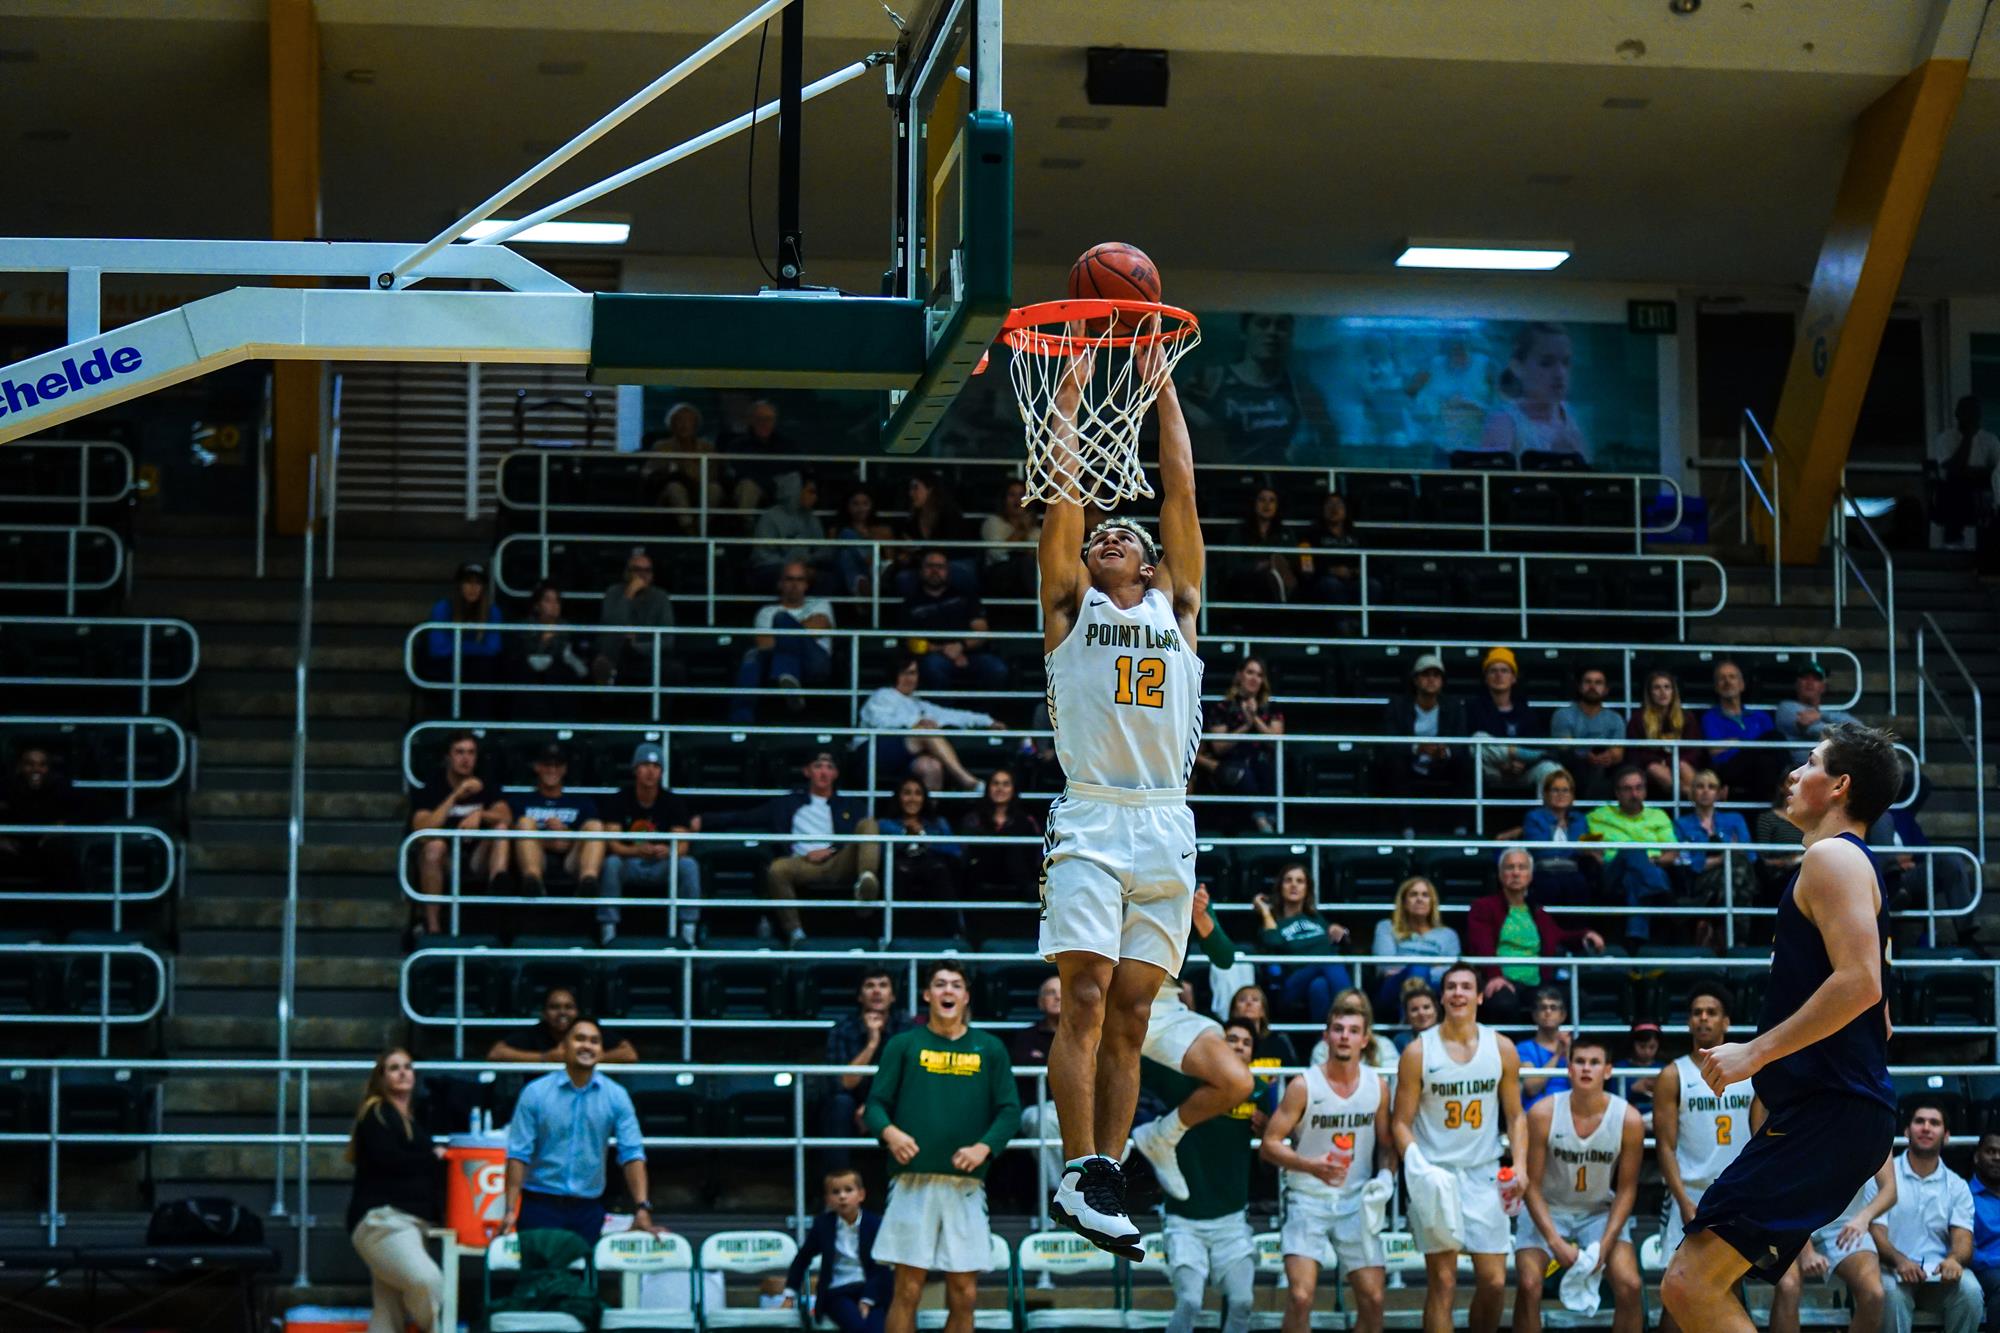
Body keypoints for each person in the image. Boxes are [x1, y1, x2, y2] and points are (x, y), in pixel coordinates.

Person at [1035, 357, 1204, 1259]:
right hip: (1093, 816)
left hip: (1167, 820)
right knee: (1088, 993)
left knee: (1134, 1015)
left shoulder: (1178, 602)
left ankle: (1104, 1177)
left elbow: (1178, 484)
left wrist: (1159, 380)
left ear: (1150, 560)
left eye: (1124, 534)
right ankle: (1077, 1166)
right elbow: (1065, 494)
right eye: (1100, 532)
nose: (1107, 534)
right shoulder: (1069, 605)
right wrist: (1067, 392)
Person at [1659, 724, 1903, 1333]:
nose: (1794, 774)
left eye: (1812, 763)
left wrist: (1755, 1053)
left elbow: (1862, 986)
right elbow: (1885, 1020)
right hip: (1831, 1111)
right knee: (1697, 1282)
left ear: (1840, 785)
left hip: (1832, 1111)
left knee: (1690, 1282)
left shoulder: (1833, 856)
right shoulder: (1852, 867)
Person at [867, 963, 1019, 1333]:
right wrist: (892, 1134)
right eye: (939, 984)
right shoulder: (903, 1044)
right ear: (926, 995)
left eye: (955, 985)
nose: (947, 991)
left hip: (965, 1186)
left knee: (965, 1293)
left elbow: (1010, 1111)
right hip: (912, 1183)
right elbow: (874, 1105)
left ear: (965, 996)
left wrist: (985, 1147)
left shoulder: (990, 1047)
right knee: (907, 1290)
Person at [1390, 961, 1529, 1333]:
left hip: (1484, 1174)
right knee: (1444, 1282)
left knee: (1495, 1282)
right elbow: (1400, 1123)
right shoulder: (1419, 1052)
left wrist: (1521, 1165)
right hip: (1436, 1174)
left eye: (1466, 987)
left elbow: (1516, 1116)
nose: (1458, 993)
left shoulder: (1502, 1048)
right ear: (1441, 996)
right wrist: (1419, 1167)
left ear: (1480, 996)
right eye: (1451, 987)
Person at [1262, 1005, 1394, 1333]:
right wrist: (1310, 1165)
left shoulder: (1377, 1085)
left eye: (1352, 1030)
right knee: (1300, 1296)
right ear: (1326, 1036)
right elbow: (1270, 1144)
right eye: (1338, 1029)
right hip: (1307, 1198)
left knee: (1374, 1298)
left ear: (1365, 1040)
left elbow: (1387, 1144)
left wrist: (1387, 1177)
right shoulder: (1304, 1085)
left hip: (1356, 1201)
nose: (1344, 1036)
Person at [1126, 885, 1256, 1203]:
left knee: (1238, 1081)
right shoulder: (1115, 873)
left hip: (1166, 1005)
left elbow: (1224, 958)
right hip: (1117, 1001)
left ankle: (1163, 1135)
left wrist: (1200, 917)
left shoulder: (1186, 883)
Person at [1513, 1039, 1645, 1333]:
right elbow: (1531, 1187)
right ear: (1568, 1069)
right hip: (1547, 1209)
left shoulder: (1629, 1119)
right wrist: (1555, 1243)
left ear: (1608, 1070)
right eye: (1580, 1061)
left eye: (1595, 1062)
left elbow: (1626, 1190)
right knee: (1528, 1284)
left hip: (1598, 1212)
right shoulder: (1543, 1113)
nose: (1587, 1068)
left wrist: (1605, 1244)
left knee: (1630, 1285)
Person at [1138, 1010, 1257, 1333]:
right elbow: (1142, 1063)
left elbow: (1282, 1136)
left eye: (1247, 1043)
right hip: (1184, 1219)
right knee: (1190, 1302)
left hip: (1232, 1220)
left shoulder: (1255, 1091)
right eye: (1231, 1039)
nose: (1239, 1047)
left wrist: (1267, 1121)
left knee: (1243, 1302)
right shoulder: (1185, 1081)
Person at [692, 751, 880, 945]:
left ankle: (866, 885)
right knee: (777, 869)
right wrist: (704, 820)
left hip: (839, 860)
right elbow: (744, 816)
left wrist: (832, 850)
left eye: (829, 767)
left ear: (836, 774)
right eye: (818, 766)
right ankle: (796, 935)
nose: (824, 772)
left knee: (869, 825)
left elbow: (860, 838)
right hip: (802, 863)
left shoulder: (852, 805)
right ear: (807, 771)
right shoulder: (786, 804)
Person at [502, 1018, 655, 1244]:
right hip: (539, 1205)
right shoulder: (535, 1093)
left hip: (588, 1209)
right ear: (564, 1046)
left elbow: (632, 1153)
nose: (587, 1046)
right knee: (538, 1279)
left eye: (594, 1041)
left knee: (583, 1279)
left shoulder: (616, 1096)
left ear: (601, 1051)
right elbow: (518, 1155)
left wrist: (642, 1206)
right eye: (579, 1039)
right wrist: (509, 1209)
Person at [1652, 982, 1755, 1296]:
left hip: (1736, 1195)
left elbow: (1760, 1138)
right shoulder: (1673, 1075)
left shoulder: (1750, 1072)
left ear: (1726, 1022)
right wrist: (1683, 1201)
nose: (1703, 1019)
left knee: (1728, 1291)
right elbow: (1665, 1148)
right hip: (1691, 1194)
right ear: (1688, 1021)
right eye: (1697, 1013)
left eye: (1712, 1013)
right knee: (1677, 1292)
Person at [348, 1048, 445, 1333]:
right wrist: (433, 1156)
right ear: (381, 1077)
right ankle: (440, 1328)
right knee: (428, 1280)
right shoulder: (376, 1113)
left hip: (406, 1223)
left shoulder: (412, 1118)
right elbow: (388, 1159)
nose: (403, 1072)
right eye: (394, 1068)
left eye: (408, 1066)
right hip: (383, 1221)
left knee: (387, 1313)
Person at [1869, 1102, 1981, 1333]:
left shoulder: (1957, 1186)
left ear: (1946, 1136)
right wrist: (1900, 1261)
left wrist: (1954, 1260)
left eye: (1935, 1123)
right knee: (1889, 1292)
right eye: (1919, 1121)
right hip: (1892, 1271)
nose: (1926, 1128)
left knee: (1970, 1289)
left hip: (1940, 1277)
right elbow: (1876, 1232)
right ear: (1907, 1131)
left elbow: (1963, 1240)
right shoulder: (1884, 1178)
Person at [1464, 847, 1604, 1024]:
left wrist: (1585, 935)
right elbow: (1480, 945)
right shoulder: (1484, 906)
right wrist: (1494, 976)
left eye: (1522, 868)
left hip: (1537, 985)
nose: (1516, 873)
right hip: (1502, 981)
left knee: (1579, 999)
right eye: (1510, 867)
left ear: (1530, 876)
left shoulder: (1537, 911)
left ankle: (1557, 1047)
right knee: (1503, 1004)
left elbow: (1559, 937)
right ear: (1500, 875)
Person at [1181, 311, 1327, 465]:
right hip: (1222, 480)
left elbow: (1324, 436)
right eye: (1263, 324)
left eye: (1281, 326)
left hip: (1280, 480)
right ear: (1245, 332)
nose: (1272, 332)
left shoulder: (1301, 388)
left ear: (1290, 335)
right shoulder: (1209, 380)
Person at [1770, 1156, 1895, 1333]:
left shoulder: (1877, 1127)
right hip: (1791, 1219)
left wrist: (1863, 1218)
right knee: (1788, 1286)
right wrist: (1806, 1250)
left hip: (1843, 1223)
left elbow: (1890, 1190)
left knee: (1874, 1294)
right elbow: (1785, 1183)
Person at [408, 733, 512, 940]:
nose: (466, 759)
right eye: (460, 752)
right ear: (448, 757)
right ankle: (433, 928)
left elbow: (507, 816)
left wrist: (481, 814)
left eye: (471, 753)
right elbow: (421, 828)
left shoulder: (485, 783)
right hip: (445, 859)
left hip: (477, 858)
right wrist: (456, 795)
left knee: (501, 828)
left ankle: (498, 906)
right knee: (434, 846)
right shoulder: (434, 785)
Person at [598, 742, 699, 947]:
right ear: (635, 769)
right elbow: (613, 845)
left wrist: (668, 850)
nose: (650, 772)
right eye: (644, 765)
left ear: (661, 771)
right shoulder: (620, 799)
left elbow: (683, 846)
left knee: (688, 865)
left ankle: (689, 932)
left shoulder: (673, 801)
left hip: (662, 865)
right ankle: (608, 930)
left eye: (656, 767)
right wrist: (636, 850)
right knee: (611, 863)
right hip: (630, 862)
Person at [859, 657, 998, 794]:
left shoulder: (917, 704)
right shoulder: (882, 695)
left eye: (913, 673)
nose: (909, 678)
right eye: (904, 673)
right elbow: (879, 722)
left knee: (932, 766)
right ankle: (967, 781)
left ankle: (929, 815)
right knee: (924, 731)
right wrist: (915, 722)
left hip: (902, 756)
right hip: (871, 751)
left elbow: (951, 715)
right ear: (894, 674)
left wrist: (988, 721)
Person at [823, 970, 913, 1172]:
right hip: (853, 1103)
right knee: (839, 1103)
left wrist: (874, 1109)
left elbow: (910, 1078)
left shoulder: (907, 1028)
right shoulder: (843, 1028)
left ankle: (908, 1183)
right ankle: (839, 1185)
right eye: (870, 986)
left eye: (883, 985)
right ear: (860, 996)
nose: (876, 991)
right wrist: (872, 1043)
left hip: (891, 1102)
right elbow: (845, 1083)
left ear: (893, 996)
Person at [782, 1169, 892, 1333]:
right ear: (827, 1200)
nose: (842, 1196)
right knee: (858, 1328)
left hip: (870, 1290)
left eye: (848, 1190)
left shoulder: (874, 1224)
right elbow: (803, 1258)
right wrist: (790, 1294)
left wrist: (868, 1299)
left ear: (861, 1195)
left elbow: (882, 1267)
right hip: (837, 1291)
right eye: (835, 1192)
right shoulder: (823, 1225)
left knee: (877, 1328)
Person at [730, 559, 836, 722]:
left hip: (814, 662)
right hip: (775, 660)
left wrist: (783, 632)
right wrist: (801, 631)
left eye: (800, 580)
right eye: (789, 579)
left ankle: (787, 675)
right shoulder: (766, 612)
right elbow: (764, 644)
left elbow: (819, 627)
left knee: (781, 619)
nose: (795, 585)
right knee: (752, 656)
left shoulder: (820, 604)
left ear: (807, 585)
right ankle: (742, 719)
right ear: (780, 584)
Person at [1585, 766, 1681, 944]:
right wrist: (1597, 856)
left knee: (1634, 875)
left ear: (1645, 790)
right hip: (1612, 872)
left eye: (1639, 788)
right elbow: (1584, 846)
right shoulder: (1599, 816)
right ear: (1617, 793)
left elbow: (1673, 853)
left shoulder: (1658, 816)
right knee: (1633, 850)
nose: (1634, 794)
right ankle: (1662, 893)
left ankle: (1636, 936)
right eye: (1627, 789)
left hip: (1649, 869)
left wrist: (1652, 861)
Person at [1250, 862, 1352, 1022]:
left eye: (1300, 881)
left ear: (1307, 889)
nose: (1294, 885)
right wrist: (1265, 911)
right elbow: (1273, 941)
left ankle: (1323, 1042)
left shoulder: (1315, 919)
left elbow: (1339, 937)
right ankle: (1353, 1011)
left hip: (1321, 976)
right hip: (1291, 984)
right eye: (1288, 880)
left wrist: (1340, 930)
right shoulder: (1273, 922)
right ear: (1280, 887)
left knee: (1319, 987)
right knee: (1329, 961)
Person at [1477, 322, 1589, 463]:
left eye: (1565, 362)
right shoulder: (1504, 423)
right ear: (1517, 367)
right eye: (1546, 363)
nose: (1560, 373)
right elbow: (1493, 481)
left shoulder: (1572, 417)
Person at [1195, 657, 1284, 833]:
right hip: (1230, 764)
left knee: (1265, 766)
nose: (1254, 678)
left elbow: (1277, 741)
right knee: (1243, 773)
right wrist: (1246, 726)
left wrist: (1255, 719)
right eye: (1250, 672)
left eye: (1259, 675)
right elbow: (1219, 746)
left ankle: (1271, 820)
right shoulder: (1222, 707)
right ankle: (1261, 820)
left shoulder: (1270, 708)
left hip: (1261, 762)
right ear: (1239, 675)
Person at [901, 549, 1006, 694]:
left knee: (997, 668)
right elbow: (911, 642)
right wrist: (945, 651)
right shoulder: (911, 603)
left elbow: (981, 631)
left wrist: (960, 646)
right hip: (934, 656)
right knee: (933, 667)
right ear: (921, 570)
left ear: (948, 571)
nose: (935, 571)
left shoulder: (966, 596)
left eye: (940, 567)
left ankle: (984, 714)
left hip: (972, 654)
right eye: (929, 566)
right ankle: (943, 715)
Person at [510, 743, 604, 900]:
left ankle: (588, 883)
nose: (552, 770)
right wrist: (546, 841)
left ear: (565, 769)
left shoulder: (581, 802)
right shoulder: (520, 802)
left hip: (572, 858)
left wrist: (568, 834)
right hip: (535, 859)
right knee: (525, 822)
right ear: (537, 767)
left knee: (595, 825)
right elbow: (509, 833)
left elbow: (592, 838)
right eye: (547, 765)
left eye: (557, 765)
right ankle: (534, 884)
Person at [1466, 646, 1560, 797]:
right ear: (1486, 678)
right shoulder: (1474, 708)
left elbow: (1537, 745)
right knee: (1478, 739)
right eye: (1493, 671)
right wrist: (1507, 759)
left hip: (1523, 770)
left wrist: (1523, 763)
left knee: (1552, 770)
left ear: (1513, 678)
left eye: (1504, 671)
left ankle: (1547, 820)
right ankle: (1516, 752)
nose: (1499, 675)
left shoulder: (1525, 711)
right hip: (1492, 770)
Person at [957, 768, 1041, 936]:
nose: (1000, 789)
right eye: (995, 784)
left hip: (1016, 873)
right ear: (988, 788)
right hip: (983, 870)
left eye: (1005, 784)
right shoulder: (974, 818)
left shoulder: (1025, 820)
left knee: (1013, 847)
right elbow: (966, 850)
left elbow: (1036, 852)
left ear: (1013, 789)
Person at [1378, 653, 1468, 797]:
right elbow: (1389, 741)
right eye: (1425, 674)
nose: (1431, 679)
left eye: (1436, 675)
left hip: (1441, 765)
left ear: (1442, 681)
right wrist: (1417, 748)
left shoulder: (1454, 707)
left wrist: (1445, 752)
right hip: (1408, 763)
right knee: (1392, 764)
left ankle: (1462, 818)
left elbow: (1462, 741)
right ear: (1415, 679)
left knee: (1465, 765)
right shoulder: (1397, 706)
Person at [1369, 875, 1460, 1013]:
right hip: (1394, 987)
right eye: (1413, 895)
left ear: (1432, 902)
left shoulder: (1448, 934)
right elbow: (1387, 966)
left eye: (1425, 895)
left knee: (1420, 969)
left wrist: (1418, 969)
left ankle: (1409, 1020)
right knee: (1418, 968)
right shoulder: (1386, 927)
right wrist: (1431, 965)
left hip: (1436, 986)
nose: (1419, 899)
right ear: (1404, 902)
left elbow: (1452, 972)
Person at [1673, 768, 1753, 922]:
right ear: (1692, 792)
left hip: (1736, 877)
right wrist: (1723, 859)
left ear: (1719, 793)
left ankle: (1712, 924)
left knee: (1735, 874)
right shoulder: (1681, 824)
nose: (1705, 791)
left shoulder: (1735, 819)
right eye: (1700, 786)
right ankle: (1734, 938)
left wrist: (1717, 860)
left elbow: (1749, 855)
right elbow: (1688, 863)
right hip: (1701, 880)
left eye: (1711, 787)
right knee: (1736, 876)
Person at [488, 985, 638, 1063]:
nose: (562, 1013)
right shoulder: (536, 1032)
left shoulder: (588, 1028)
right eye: (554, 1007)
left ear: (577, 1011)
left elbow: (629, 1054)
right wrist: (545, 1057)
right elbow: (496, 1053)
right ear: (544, 1013)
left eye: (569, 1007)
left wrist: (590, 1058)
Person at [593, 547, 677, 687]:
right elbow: (610, 630)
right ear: (627, 573)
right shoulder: (613, 593)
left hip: (648, 654)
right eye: (637, 570)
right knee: (606, 661)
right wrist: (628, 595)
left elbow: (668, 640)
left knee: (674, 670)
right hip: (617, 654)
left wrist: (636, 647)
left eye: (647, 570)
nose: (642, 575)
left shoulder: (661, 597)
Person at [1518, 768, 1599, 907]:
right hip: (1544, 871)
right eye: (1555, 790)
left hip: (1573, 872)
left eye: (1565, 790)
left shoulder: (1579, 819)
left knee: (1581, 884)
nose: (1561, 795)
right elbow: (1541, 851)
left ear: (1572, 795)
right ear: (1545, 794)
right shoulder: (1533, 817)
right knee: (1552, 885)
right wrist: (1576, 849)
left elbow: (1586, 848)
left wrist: (1581, 849)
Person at [1928, 394, 2000, 551]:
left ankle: (1990, 546)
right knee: (1955, 485)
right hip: (1954, 489)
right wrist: (1968, 437)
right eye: (1968, 412)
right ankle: (1954, 542)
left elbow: (1996, 470)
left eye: (1975, 412)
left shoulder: (1990, 440)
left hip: (1983, 489)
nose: (1972, 416)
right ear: (1958, 413)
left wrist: (1970, 472)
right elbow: (1952, 468)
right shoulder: (1946, 438)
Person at [885, 778, 961, 921]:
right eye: (907, 793)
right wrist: (905, 834)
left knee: (940, 869)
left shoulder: (939, 823)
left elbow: (954, 850)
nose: (912, 798)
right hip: (900, 867)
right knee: (898, 870)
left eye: (918, 793)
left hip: (931, 865)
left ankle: (954, 933)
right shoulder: (886, 824)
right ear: (899, 797)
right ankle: (890, 933)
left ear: (924, 798)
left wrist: (922, 835)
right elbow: (881, 853)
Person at [1012, 976, 1064, 1186]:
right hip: (1040, 1107)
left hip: (1086, 1108)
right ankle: (1058, 1192)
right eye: (1050, 992)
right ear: (1040, 1002)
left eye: (1063, 991)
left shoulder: (1091, 1035)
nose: (1058, 996)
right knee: (1041, 1121)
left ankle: (1089, 1191)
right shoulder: (1025, 1037)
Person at [1701, 658, 1777, 800]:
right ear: (1716, 687)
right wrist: (1749, 742)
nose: (1727, 682)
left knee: (1775, 742)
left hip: (1758, 770)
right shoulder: (1710, 717)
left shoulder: (1760, 716)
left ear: (1742, 685)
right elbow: (1713, 749)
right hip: (1728, 769)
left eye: (1732, 677)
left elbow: (1773, 745)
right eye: (1722, 678)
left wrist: (1734, 741)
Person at [1548, 665, 1626, 801]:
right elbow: (1564, 748)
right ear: (1579, 687)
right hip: (1573, 765)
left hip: (1605, 769)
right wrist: (1584, 755)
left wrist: (1608, 756)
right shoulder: (1563, 714)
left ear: (1606, 689)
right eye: (1588, 682)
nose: (1592, 686)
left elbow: (1618, 753)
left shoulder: (1615, 718)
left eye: (1598, 683)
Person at [504, 581, 589, 704]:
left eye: (557, 600)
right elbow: (526, 655)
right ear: (537, 605)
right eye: (548, 600)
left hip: (557, 679)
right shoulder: (526, 626)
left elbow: (567, 657)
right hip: (529, 679)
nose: (554, 605)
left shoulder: (566, 627)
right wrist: (544, 640)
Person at [1626, 669, 1705, 801]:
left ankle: (1695, 797)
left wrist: (1671, 762)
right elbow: (1636, 752)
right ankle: (1695, 796)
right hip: (1651, 768)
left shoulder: (1687, 717)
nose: (1663, 692)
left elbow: (1694, 750)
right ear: (1650, 693)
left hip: (1680, 764)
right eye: (1657, 688)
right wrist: (1661, 761)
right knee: (1655, 768)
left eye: (1667, 687)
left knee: (1682, 765)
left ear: (1673, 691)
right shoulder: (1638, 718)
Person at [419, 561, 503, 684]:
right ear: (459, 585)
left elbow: (493, 649)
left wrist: (458, 647)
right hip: (448, 666)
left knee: (484, 668)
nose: (473, 588)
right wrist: (476, 648)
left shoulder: (493, 611)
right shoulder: (442, 608)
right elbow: (438, 648)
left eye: (478, 583)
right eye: (468, 582)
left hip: (479, 668)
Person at [748, 472, 829, 591]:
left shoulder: (812, 518)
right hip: (774, 568)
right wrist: (792, 566)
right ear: (795, 490)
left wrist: (808, 560)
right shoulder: (770, 517)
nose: (815, 497)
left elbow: (822, 551)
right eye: (810, 492)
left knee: (826, 578)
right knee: (787, 576)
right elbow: (762, 556)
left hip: (804, 567)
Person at [645, 400, 719, 532]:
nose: (684, 425)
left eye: (689, 421)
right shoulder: (662, 447)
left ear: (695, 425)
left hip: (700, 487)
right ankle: (688, 527)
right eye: (680, 420)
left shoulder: (707, 447)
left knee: (715, 489)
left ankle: (701, 527)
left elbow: (713, 473)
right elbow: (648, 472)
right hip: (671, 491)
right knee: (675, 488)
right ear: (672, 424)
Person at [1220, 487, 1297, 604]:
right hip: (1245, 582)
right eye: (1262, 500)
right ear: (1254, 504)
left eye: (1272, 501)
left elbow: (1293, 562)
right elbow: (1232, 565)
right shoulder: (1240, 531)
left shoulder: (1285, 532)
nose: (1267, 505)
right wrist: (1257, 566)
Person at [1773, 659, 1860, 765]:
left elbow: (1859, 728)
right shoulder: (1786, 708)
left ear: (1823, 687)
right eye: (1805, 677)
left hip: (1830, 769)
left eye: (1816, 679)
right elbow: (1814, 729)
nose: (1810, 682)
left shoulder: (1828, 713)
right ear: (1797, 683)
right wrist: (1845, 733)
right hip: (1799, 770)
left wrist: (1821, 715)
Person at [1296, 492, 1367, 608]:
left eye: (1338, 504)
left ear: (1346, 510)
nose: (1334, 508)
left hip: (1353, 580)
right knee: (1331, 584)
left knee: (1371, 585)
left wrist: (1353, 572)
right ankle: (1344, 622)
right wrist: (1331, 571)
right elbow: (1306, 566)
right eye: (1329, 505)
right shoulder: (1310, 536)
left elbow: (1371, 562)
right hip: (1323, 581)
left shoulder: (1357, 536)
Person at [978, 478, 1040, 598]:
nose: (1017, 500)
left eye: (1022, 495)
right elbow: (997, 553)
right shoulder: (993, 523)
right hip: (998, 576)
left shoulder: (1036, 531)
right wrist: (1021, 530)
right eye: (1012, 495)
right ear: (1003, 500)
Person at [1515, 986, 1572, 1108]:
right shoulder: (1523, 1048)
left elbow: (1581, 1087)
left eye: (1553, 1008)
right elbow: (1531, 1087)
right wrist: (1556, 1056)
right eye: (1543, 1008)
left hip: (1568, 1114)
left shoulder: (1573, 1047)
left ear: (1563, 1015)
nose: (1548, 1012)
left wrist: (1568, 1053)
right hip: (1534, 1114)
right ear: (1534, 1015)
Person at [835, 486, 897, 598]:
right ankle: (871, 571)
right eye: (855, 504)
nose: (860, 508)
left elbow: (890, 560)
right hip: (857, 571)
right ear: (848, 507)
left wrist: (871, 537)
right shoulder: (838, 531)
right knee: (846, 538)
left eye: (865, 504)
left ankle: (865, 582)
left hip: (875, 574)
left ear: (871, 505)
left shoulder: (883, 530)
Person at [1969, 1130, 2000, 1330]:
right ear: (1977, 1157)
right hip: (1987, 1270)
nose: (1997, 1157)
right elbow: (1968, 1252)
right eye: (1991, 1151)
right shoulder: (1964, 1195)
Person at [1615, 1022, 1661, 1122]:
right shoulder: (1619, 1068)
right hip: (1626, 1120)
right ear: (1633, 1044)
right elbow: (1612, 1100)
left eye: (1652, 1047)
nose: (1647, 1051)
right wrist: (1632, 1089)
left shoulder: (1664, 1069)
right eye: (1642, 1046)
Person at [1395, 981, 1439, 1053]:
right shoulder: (1401, 1041)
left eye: (1426, 1007)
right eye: (1414, 1009)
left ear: (1436, 1009)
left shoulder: (1451, 1035)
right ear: (1407, 1015)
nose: (1421, 1013)